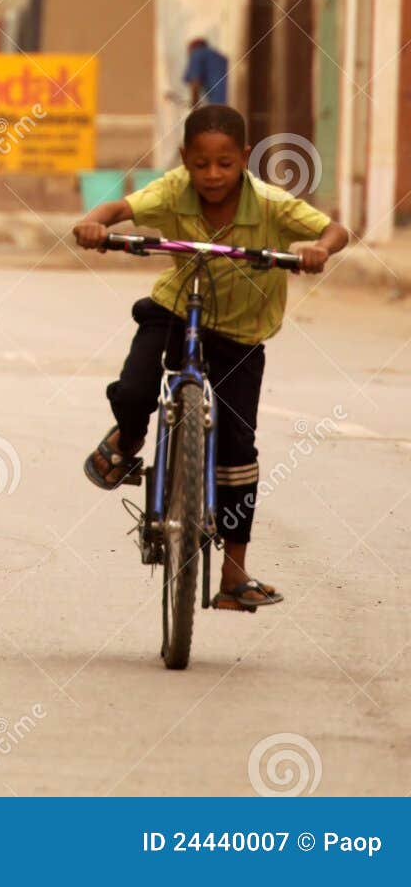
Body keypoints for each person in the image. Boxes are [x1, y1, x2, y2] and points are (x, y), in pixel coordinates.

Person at [72, 102, 347, 612]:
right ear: (184, 160)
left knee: (239, 452)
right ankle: (129, 437)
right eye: (201, 165)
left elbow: (335, 230)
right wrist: (93, 223)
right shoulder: (173, 190)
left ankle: (234, 573)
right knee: (133, 389)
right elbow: (116, 211)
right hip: (177, 310)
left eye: (224, 163)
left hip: (241, 336)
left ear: (244, 157)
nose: (212, 175)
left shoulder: (270, 205)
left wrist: (319, 250)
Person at [183, 36, 229, 107]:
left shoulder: (197, 54)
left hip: (218, 103)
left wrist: (194, 105)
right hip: (231, 99)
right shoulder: (221, 57)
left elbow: (195, 82)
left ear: (192, 48)